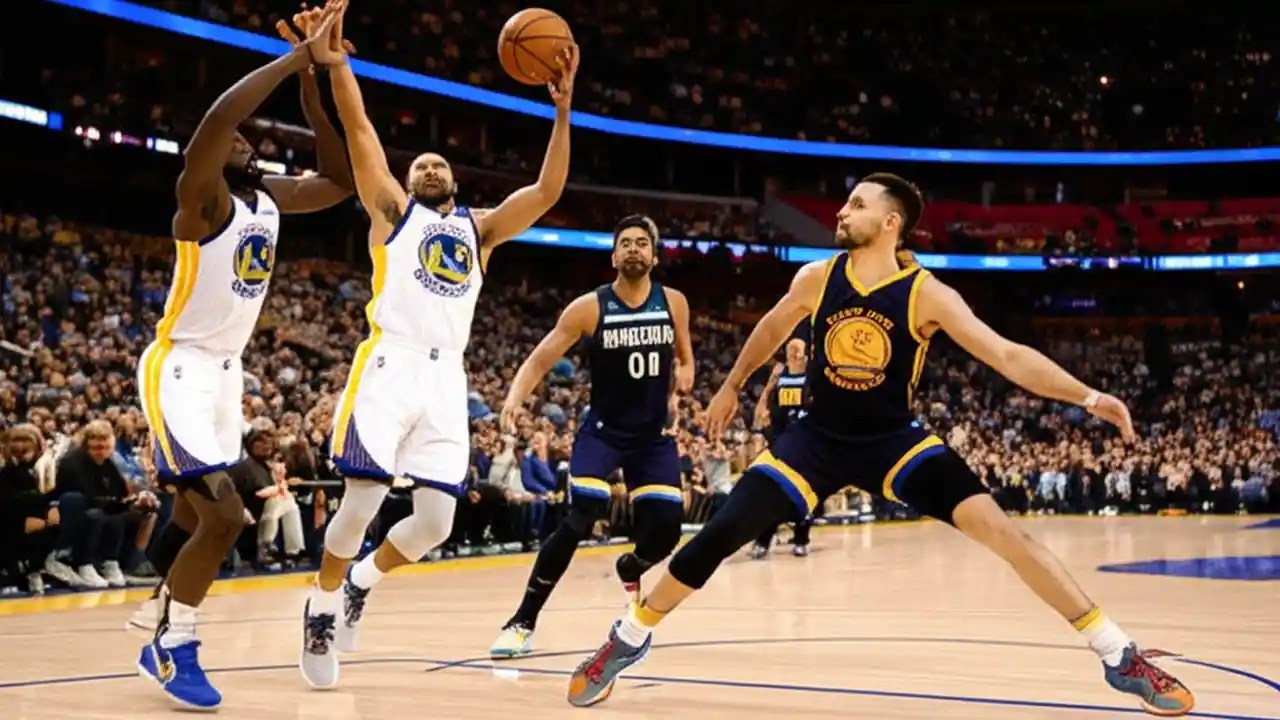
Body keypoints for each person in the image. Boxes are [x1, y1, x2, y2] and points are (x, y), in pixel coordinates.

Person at [567, 173, 1194, 717]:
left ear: (890, 222)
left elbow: (1006, 356)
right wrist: (733, 383)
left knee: (1008, 534)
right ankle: (628, 637)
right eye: (845, 204)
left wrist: (1087, 397)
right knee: (717, 536)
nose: (842, 212)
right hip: (814, 438)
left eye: (857, 205)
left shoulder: (926, 293)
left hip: (893, 440)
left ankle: (1118, 654)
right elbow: (771, 325)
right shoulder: (818, 277)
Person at [298, 3, 579, 690]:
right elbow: (360, 130)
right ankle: (322, 605)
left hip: (448, 380)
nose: (427, 168)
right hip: (390, 363)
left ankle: (362, 580)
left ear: (453, 180)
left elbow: (546, 191)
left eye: (437, 164)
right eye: (419, 163)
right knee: (361, 501)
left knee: (435, 522)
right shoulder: (393, 214)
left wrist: (563, 111)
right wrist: (339, 68)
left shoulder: (480, 231)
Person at [134, 4, 354, 709]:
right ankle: (172, 644)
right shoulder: (200, 201)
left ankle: (159, 593)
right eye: (229, 139)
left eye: (244, 140)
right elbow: (216, 122)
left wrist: (315, 84)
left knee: (202, 517)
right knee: (226, 516)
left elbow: (341, 178)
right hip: (181, 365)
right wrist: (296, 54)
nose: (240, 140)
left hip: (227, 373)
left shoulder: (267, 199)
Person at [489, 215, 694, 658]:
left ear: (655, 256)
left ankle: (632, 565)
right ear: (613, 256)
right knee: (583, 512)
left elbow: (685, 356)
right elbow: (541, 357)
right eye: (626, 243)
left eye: (643, 243)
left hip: (652, 436)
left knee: (667, 531)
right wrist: (514, 396)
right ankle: (522, 620)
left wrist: (682, 384)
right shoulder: (589, 307)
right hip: (604, 431)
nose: (634, 249)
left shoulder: (674, 302)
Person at [748, 336, 812, 559]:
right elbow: (760, 414)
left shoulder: (812, 380)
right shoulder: (780, 380)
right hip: (780, 441)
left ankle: (801, 539)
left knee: (804, 495)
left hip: (805, 442)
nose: (794, 353)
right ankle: (763, 541)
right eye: (790, 349)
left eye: (798, 349)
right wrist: (770, 384)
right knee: (774, 494)